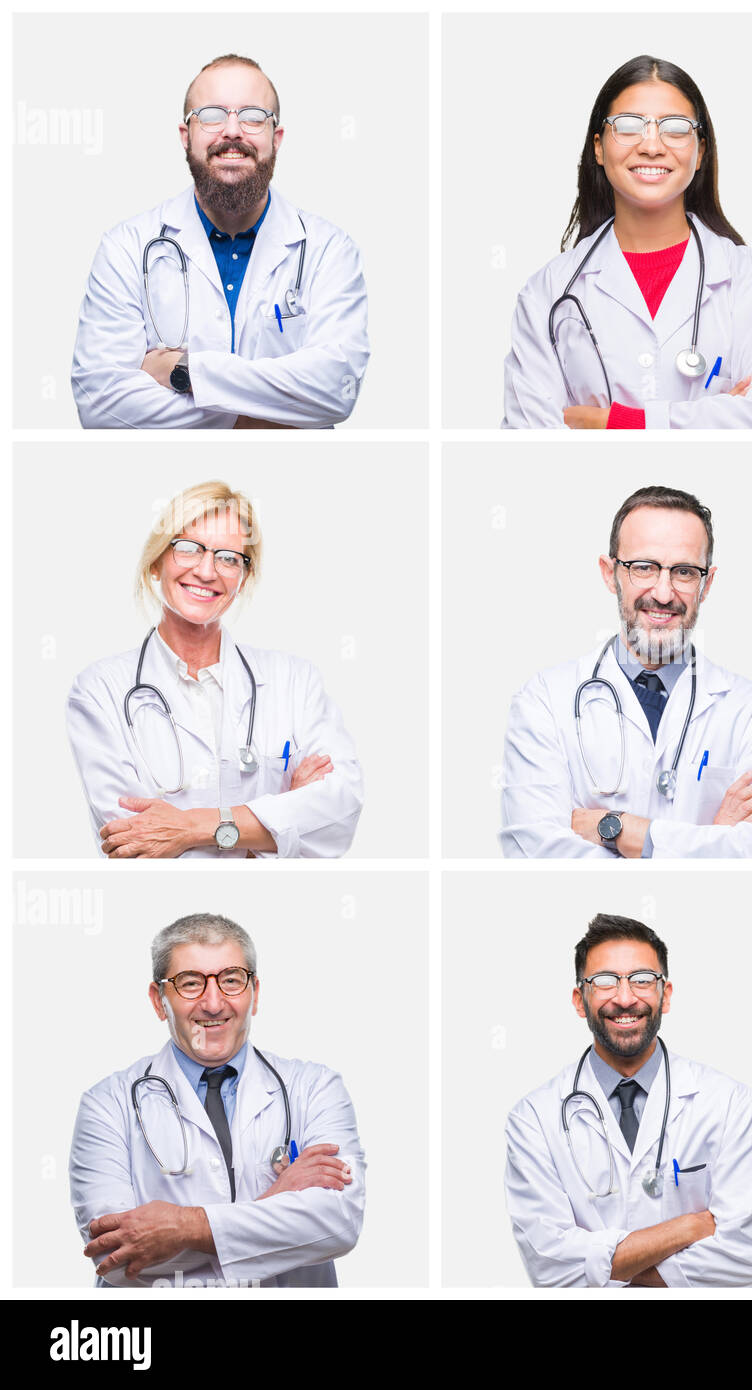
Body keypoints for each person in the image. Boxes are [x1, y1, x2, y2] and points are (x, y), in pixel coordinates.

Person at [66, 480, 364, 858]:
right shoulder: (99, 690)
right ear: (157, 562)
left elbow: (339, 812)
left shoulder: (295, 680)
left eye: (228, 558)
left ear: (243, 577)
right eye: (188, 548)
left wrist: (190, 827)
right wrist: (281, 816)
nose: (207, 571)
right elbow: (132, 841)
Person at [499, 485, 752, 858]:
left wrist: (618, 829)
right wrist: (711, 840)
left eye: (685, 572)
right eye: (643, 567)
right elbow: (537, 854)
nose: (662, 592)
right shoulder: (543, 701)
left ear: (706, 584)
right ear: (610, 574)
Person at [71, 52, 368, 428]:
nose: (232, 131)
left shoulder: (330, 251)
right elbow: (99, 402)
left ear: (276, 138)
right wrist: (256, 423)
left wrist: (184, 371)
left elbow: (335, 388)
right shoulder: (125, 248)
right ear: (186, 136)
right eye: (211, 115)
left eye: (252, 116)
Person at [502, 54, 752, 429]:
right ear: (598, 147)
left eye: (675, 128)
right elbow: (530, 436)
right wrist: (716, 415)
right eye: (628, 126)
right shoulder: (548, 292)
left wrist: (613, 423)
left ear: (700, 151)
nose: (651, 145)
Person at [70, 913, 366, 1287]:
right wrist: (275, 1202)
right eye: (190, 983)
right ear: (159, 1000)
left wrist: (180, 1228)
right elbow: (113, 1253)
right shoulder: (106, 1104)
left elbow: (338, 1223)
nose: (213, 1003)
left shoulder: (316, 1088)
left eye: (231, 980)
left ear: (254, 993)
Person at [504, 914, 752, 1287]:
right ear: (579, 1000)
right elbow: (551, 1268)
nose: (625, 997)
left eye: (643, 979)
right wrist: (687, 1227)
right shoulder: (534, 1118)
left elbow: (747, 1257)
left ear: (666, 995)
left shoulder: (729, 1103)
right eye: (604, 981)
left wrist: (603, 1270)